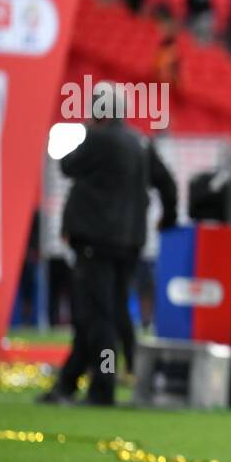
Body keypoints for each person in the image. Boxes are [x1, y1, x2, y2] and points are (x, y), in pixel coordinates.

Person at [41, 83, 177, 405]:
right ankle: (70, 383)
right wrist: (167, 219)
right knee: (112, 312)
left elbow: (66, 165)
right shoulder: (141, 143)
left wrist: (86, 131)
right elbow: (167, 184)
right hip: (129, 243)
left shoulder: (98, 140)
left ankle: (102, 387)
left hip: (96, 243)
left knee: (96, 317)